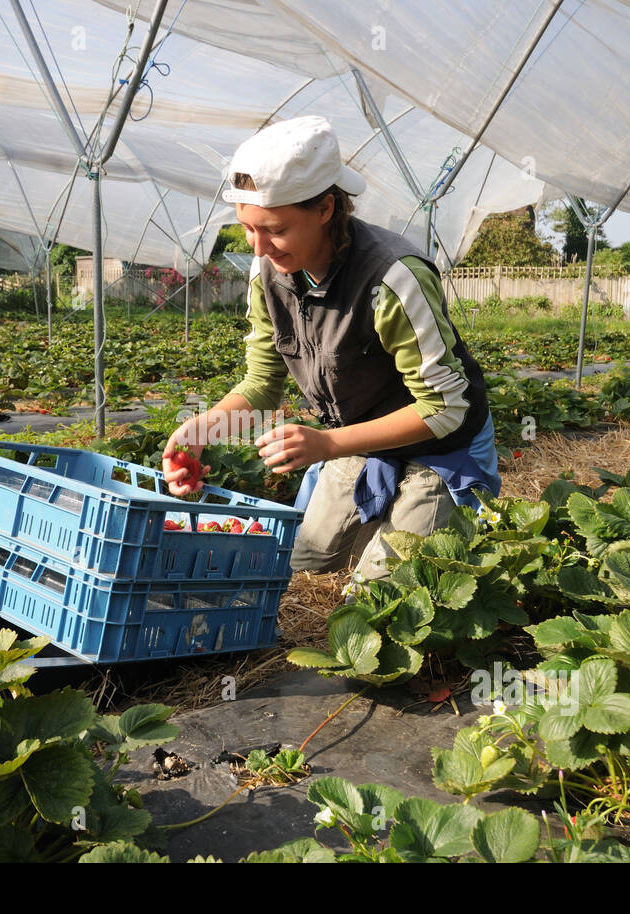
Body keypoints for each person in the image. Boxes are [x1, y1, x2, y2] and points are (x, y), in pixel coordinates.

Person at [162, 115, 500, 581]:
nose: (259, 248)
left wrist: (328, 443)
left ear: (324, 209)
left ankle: (427, 513)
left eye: (274, 229)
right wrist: (201, 429)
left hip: (442, 445)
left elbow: (445, 409)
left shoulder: (393, 278)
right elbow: (261, 385)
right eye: (247, 228)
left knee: (384, 594)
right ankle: (378, 521)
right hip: (356, 434)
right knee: (303, 567)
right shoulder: (268, 277)